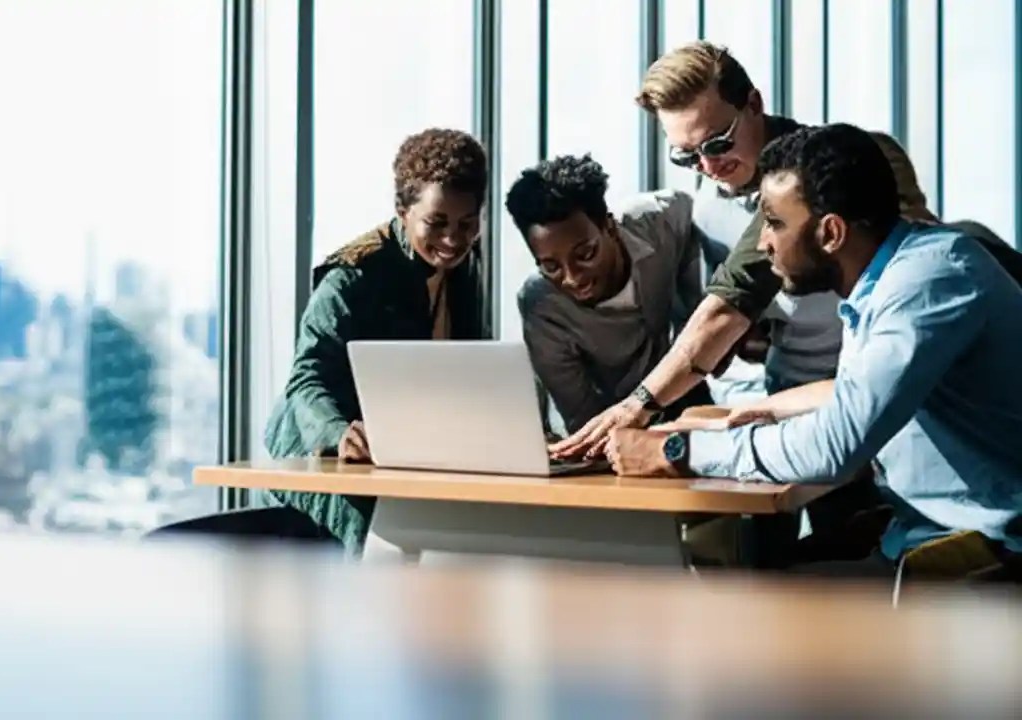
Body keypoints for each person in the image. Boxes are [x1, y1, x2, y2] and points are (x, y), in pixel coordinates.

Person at [604, 123, 1022, 576]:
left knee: (738, 608)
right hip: (918, 529)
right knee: (748, 578)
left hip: (985, 551)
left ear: (831, 233)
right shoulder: (894, 275)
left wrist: (678, 451)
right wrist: (743, 415)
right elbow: (854, 390)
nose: (763, 242)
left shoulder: (927, 282)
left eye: (775, 222)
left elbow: (834, 447)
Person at [550, 42, 934, 461]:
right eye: (686, 155)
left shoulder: (821, 175)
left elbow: (728, 304)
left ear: (753, 103)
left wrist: (637, 403)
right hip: (759, 405)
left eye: (717, 143)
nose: (709, 166)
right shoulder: (711, 193)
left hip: (854, 404)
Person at [153, 128, 490, 554]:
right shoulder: (352, 274)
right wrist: (337, 431)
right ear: (402, 210)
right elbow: (307, 379)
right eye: (436, 223)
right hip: (325, 454)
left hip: (399, 453)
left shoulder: (467, 270)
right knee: (376, 535)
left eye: (467, 224)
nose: (452, 240)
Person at [506, 154, 711, 434]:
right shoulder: (542, 306)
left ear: (610, 226)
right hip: (613, 424)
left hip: (691, 396)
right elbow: (582, 419)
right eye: (550, 266)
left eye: (585, 254)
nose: (572, 277)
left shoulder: (663, 220)